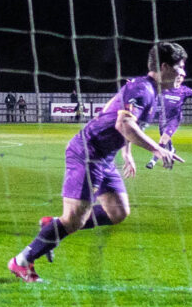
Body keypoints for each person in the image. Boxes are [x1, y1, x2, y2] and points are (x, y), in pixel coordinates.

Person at [11, 42, 182, 281]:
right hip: (87, 152)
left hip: (105, 156)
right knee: (74, 219)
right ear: (164, 67)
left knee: (118, 212)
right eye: (180, 67)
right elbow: (123, 123)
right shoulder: (143, 89)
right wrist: (158, 149)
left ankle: (53, 225)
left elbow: (128, 123)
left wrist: (127, 152)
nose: (183, 73)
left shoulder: (150, 92)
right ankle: (21, 261)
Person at [142, 69, 192, 168]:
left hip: (174, 119)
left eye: (181, 76)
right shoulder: (164, 87)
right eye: (177, 75)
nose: (178, 77)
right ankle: (171, 149)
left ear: (182, 79)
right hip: (163, 118)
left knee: (163, 140)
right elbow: (150, 85)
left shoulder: (184, 90)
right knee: (165, 139)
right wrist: (134, 84)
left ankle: (153, 161)